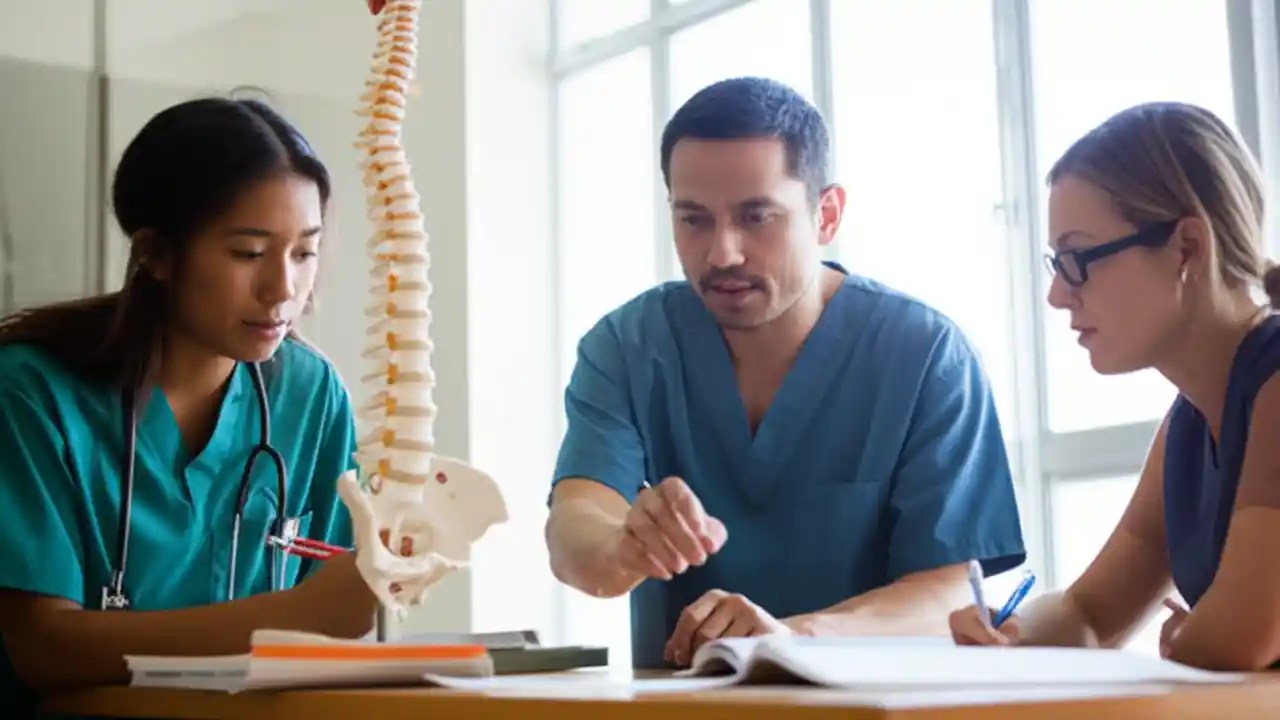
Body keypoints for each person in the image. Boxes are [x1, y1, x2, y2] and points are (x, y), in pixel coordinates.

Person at [544, 76, 1027, 669]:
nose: (722, 252)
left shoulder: (926, 356)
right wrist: (622, 547)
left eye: (757, 217)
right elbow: (574, 529)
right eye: (693, 219)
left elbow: (952, 594)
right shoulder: (628, 347)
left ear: (826, 215)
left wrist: (793, 638)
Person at [0, 97, 381, 711]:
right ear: (155, 253)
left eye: (304, 252)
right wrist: (295, 615)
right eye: (249, 253)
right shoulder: (32, 394)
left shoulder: (310, 397)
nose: (282, 289)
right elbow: (43, 647)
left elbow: (336, 625)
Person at [949, 101, 1280, 671]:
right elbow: (1089, 613)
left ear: (1187, 248)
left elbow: (1241, 639)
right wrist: (1006, 628)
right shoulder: (1188, 422)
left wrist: (1200, 637)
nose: (1057, 294)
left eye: (1079, 258)